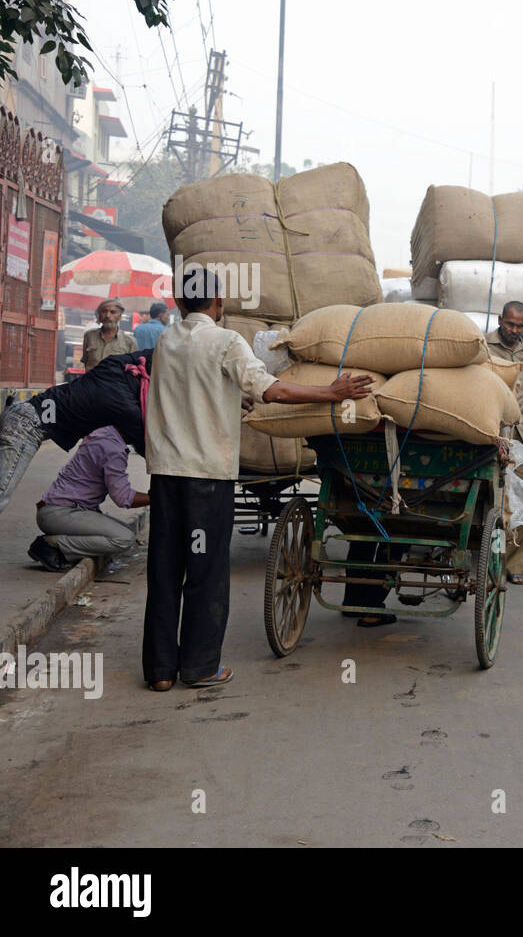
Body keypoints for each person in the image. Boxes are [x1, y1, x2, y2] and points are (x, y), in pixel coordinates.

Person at [142, 267, 373, 692]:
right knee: (206, 572)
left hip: (165, 474)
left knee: (164, 570)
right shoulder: (227, 341)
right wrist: (332, 392)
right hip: (206, 478)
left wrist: (232, 400)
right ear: (219, 303)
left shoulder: (165, 340)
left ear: (178, 302)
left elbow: (195, 390)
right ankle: (199, 667)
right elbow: (274, 391)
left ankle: (159, 671)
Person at [0, 349, 153, 517]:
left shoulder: (114, 368)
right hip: (26, 425)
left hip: (23, 414)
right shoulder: (124, 403)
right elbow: (147, 446)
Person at [27, 426, 150, 572]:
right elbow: (122, 498)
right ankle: (52, 544)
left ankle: (60, 542)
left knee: (124, 530)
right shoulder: (113, 448)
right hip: (60, 513)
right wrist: (155, 498)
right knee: (123, 538)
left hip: (58, 510)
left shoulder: (104, 433)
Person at [486, 300, 523, 585]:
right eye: (510, 324)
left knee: (520, 501)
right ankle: (486, 554)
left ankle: (516, 563)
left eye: (520, 325)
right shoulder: (484, 345)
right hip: (491, 432)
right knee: (490, 495)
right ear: (500, 320)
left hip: (521, 434)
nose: (514, 330)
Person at [82, 297, 138, 371]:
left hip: (116, 382)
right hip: (91, 381)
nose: (108, 315)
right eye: (104, 311)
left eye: (112, 312)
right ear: (99, 315)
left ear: (119, 317)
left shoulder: (129, 341)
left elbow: (133, 369)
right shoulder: (89, 336)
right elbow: (86, 361)